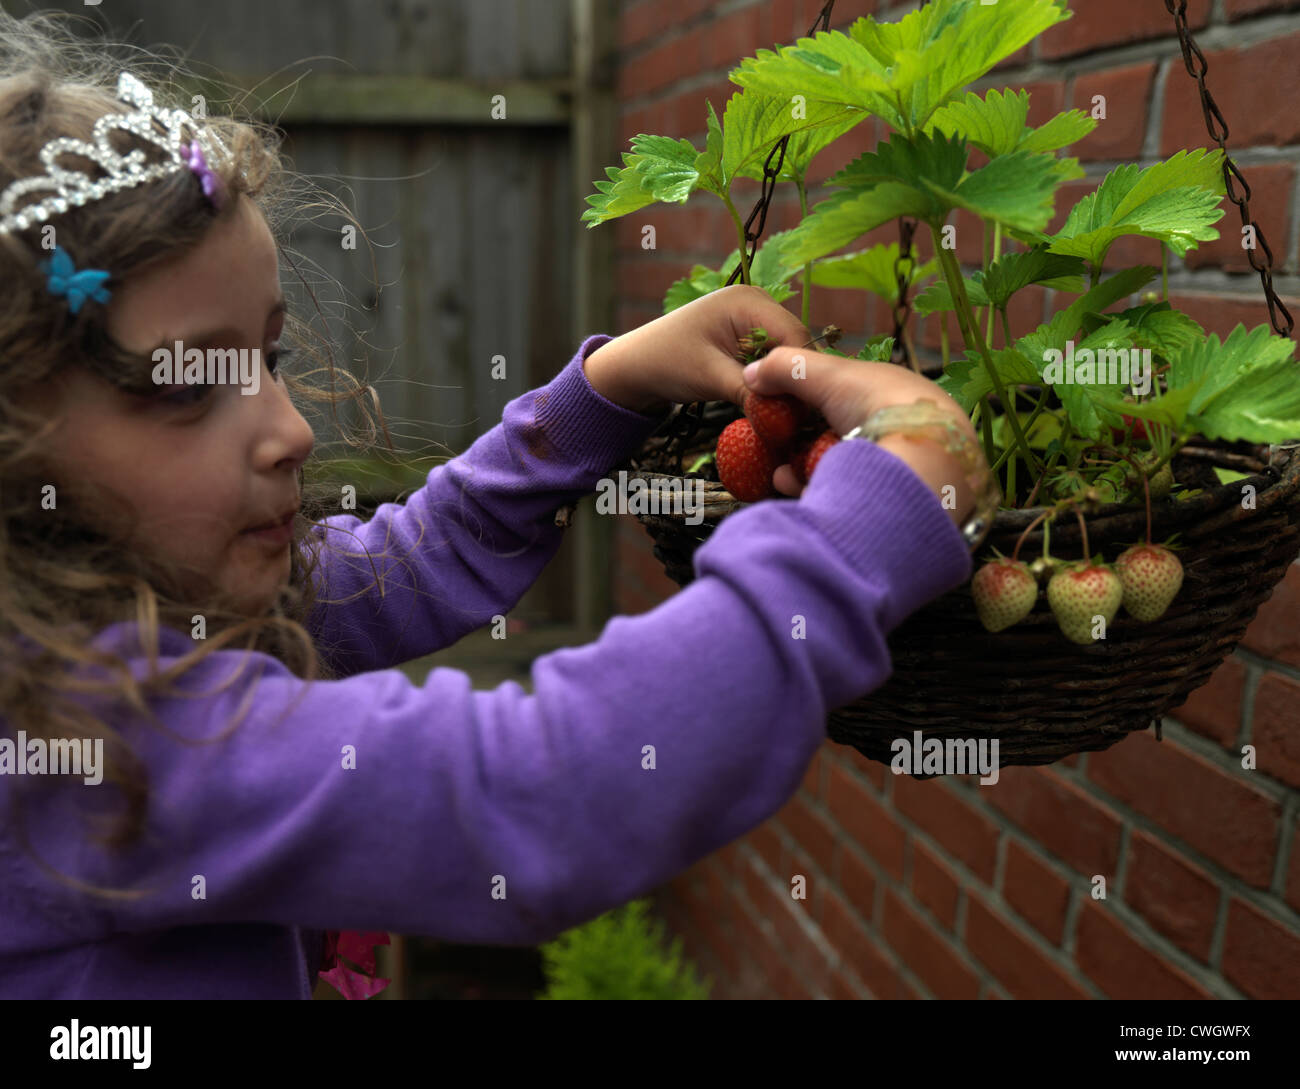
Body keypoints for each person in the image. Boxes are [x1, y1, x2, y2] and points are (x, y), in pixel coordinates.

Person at [0, 12, 993, 998]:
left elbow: (418, 556)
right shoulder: (83, 743)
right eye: (185, 386)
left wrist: (604, 392)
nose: (290, 430)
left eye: (269, 359)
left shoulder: (169, 598)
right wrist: (870, 524)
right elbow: (541, 794)